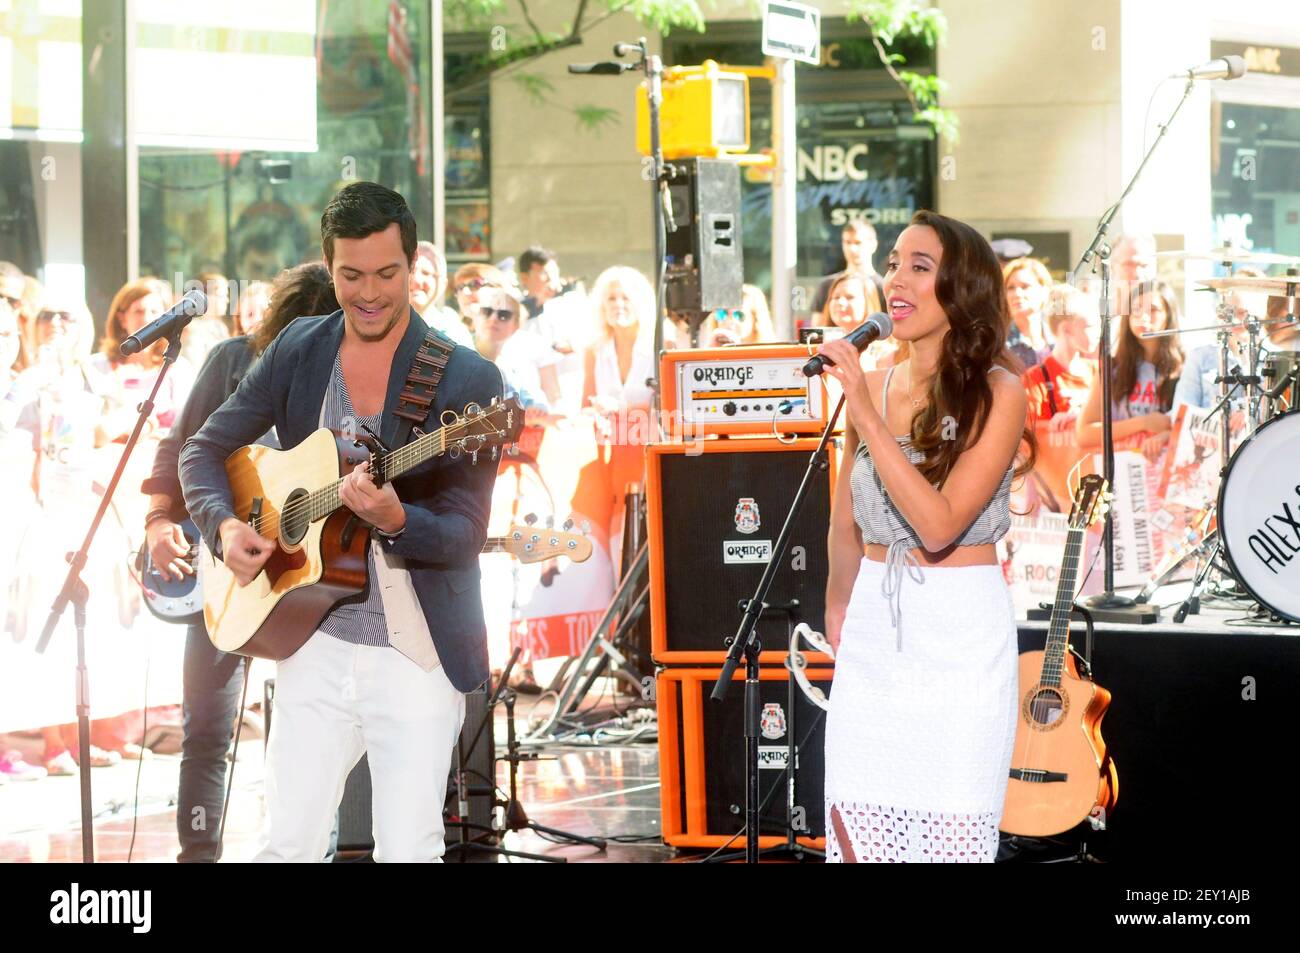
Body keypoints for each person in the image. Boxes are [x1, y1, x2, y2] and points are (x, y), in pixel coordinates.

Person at [180, 182, 503, 863]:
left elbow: (465, 532)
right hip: (310, 640)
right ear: (329, 267)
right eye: (351, 275)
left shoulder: (467, 379)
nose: (371, 293)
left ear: (414, 267)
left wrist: (398, 517)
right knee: (287, 844)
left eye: (388, 273)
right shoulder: (300, 346)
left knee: (407, 849)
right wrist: (223, 528)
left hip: (415, 645)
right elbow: (203, 450)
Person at [817, 209, 1033, 863]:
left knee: (948, 835)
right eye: (892, 264)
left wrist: (864, 410)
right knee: (859, 828)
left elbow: (939, 526)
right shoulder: (874, 384)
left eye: (919, 265)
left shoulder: (1001, 391)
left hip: (959, 633)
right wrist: (837, 603)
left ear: (961, 287)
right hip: (875, 635)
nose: (897, 280)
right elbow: (844, 517)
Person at [143, 262, 337, 862]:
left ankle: (311, 848)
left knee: (314, 731)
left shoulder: (349, 379)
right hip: (230, 569)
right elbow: (182, 446)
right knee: (208, 727)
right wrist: (157, 521)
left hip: (312, 581)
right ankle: (198, 852)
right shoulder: (233, 359)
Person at [1077, 279, 1183, 464]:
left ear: (1169, 315)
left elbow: (1193, 426)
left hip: (1167, 470)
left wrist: (1167, 435)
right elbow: (1085, 433)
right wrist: (1143, 423)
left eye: (1153, 310)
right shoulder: (1111, 368)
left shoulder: (1185, 366)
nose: (1143, 316)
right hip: (1123, 471)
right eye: (1136, 309)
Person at [811, 220, 885, 323]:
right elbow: (817, 329)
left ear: (873, 245)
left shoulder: (884, 287)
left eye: (858, 243)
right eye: (847, 242)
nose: (852, 249)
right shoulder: (827, 285)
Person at [410, 241, 472, 347]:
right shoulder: (379, 327)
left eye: (426, 273)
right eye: (410, 271)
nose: (417, 280)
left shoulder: (455, 334)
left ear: (443, 284)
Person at [1002, 256, 1053, 369]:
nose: (1017, 294)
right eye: (1010, 288)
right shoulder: (999, 345)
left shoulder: (1058, 337)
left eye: (1025, 286)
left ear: (1044, 290)